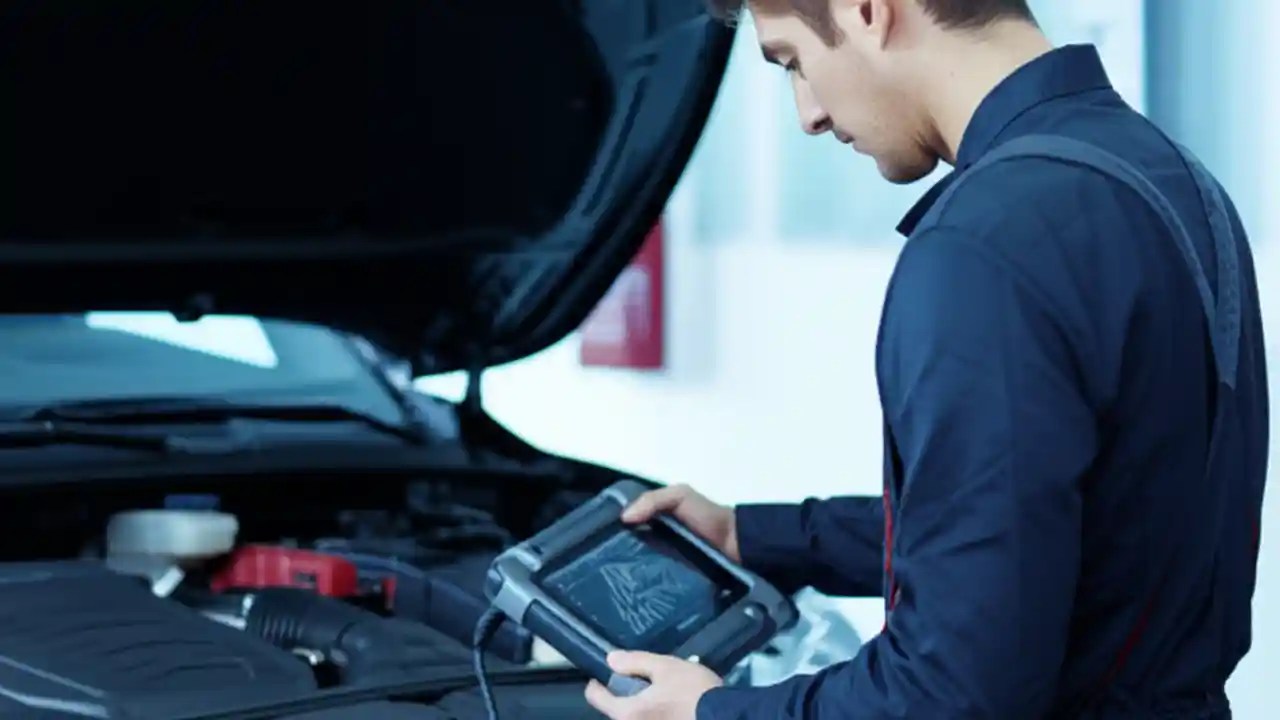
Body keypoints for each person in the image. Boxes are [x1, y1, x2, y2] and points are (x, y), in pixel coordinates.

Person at [583, 0, 1270, 718]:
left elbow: (950, 696)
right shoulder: (1168, 178)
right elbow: (1040, 525)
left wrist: (711, 712)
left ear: (868, 10)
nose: (808, 114)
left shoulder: (984, 247)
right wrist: (750, 535)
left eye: (793, 61)